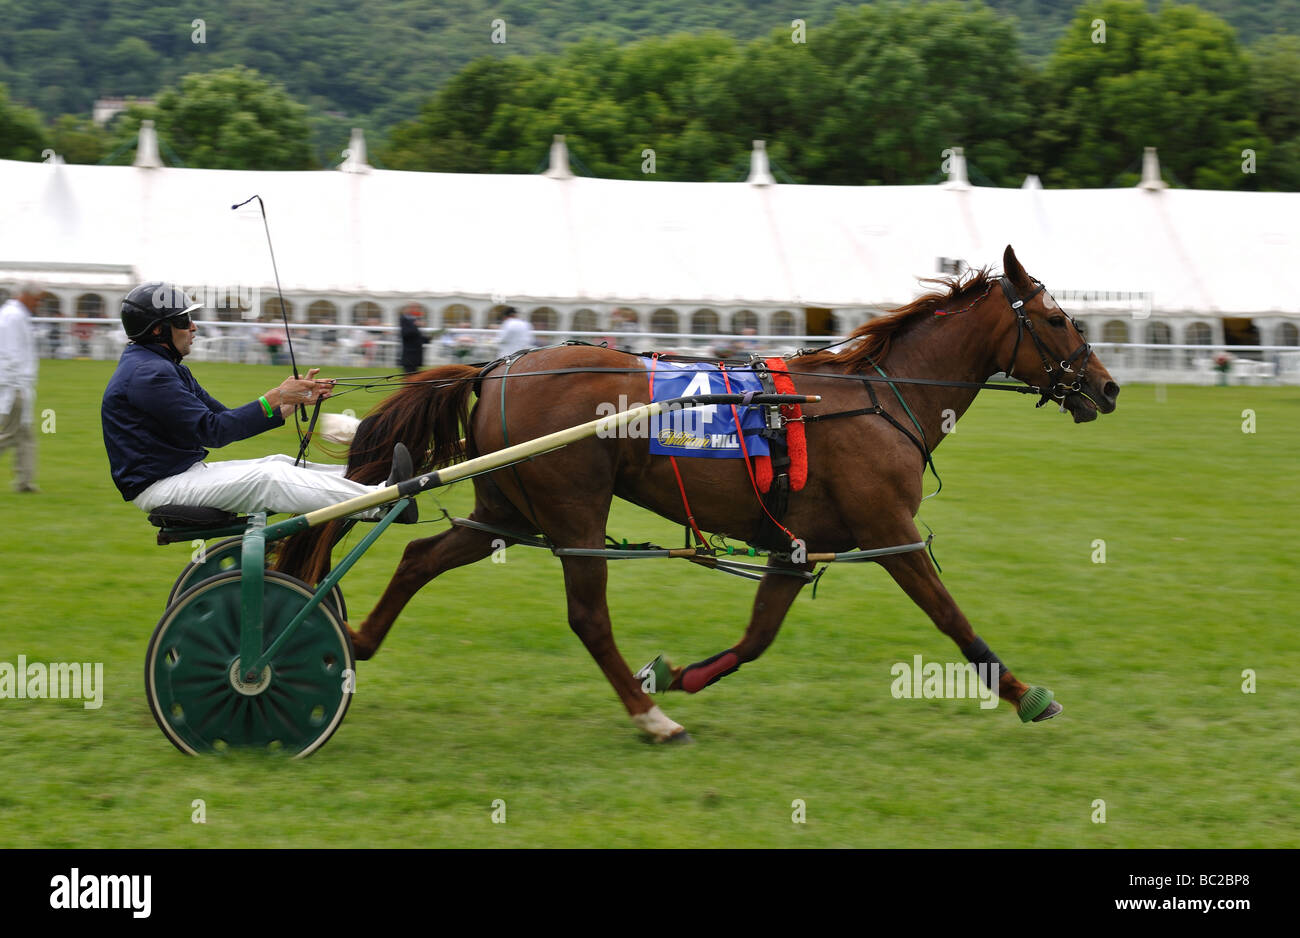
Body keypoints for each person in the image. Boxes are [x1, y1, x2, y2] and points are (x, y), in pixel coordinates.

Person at [101, 281, 415, 521]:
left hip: (181, 474)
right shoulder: (147, 375)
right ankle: (378, 503)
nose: (193, 327)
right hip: (162, 486)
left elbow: (225, 418)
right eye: (183, 321)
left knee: (276, 463)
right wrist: (277, 395)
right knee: (269, 479)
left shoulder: (162, 368)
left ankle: (366, 480)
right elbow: (215, 431)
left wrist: (291, 402)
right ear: (158, 330)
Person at [0, 282, 42, 493]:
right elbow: (9, 353)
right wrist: (16, 385)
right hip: (15, 386)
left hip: (19, 385)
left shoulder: (15, 315)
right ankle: (24, 481)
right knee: (8, 435)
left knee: (25, 437)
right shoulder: (13, 317)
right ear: (25, 295)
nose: (38, 304)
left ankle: (24, 482)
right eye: (36, 299)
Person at [398, 304, 430, 374]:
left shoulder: (413, 320)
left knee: (414, 377)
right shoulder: (405, 320)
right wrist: (416, 324)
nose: (418, 310)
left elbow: (416, 337)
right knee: (410, 377)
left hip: (415, 355)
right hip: (409, 356)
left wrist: (429, 338)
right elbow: (406, 334)